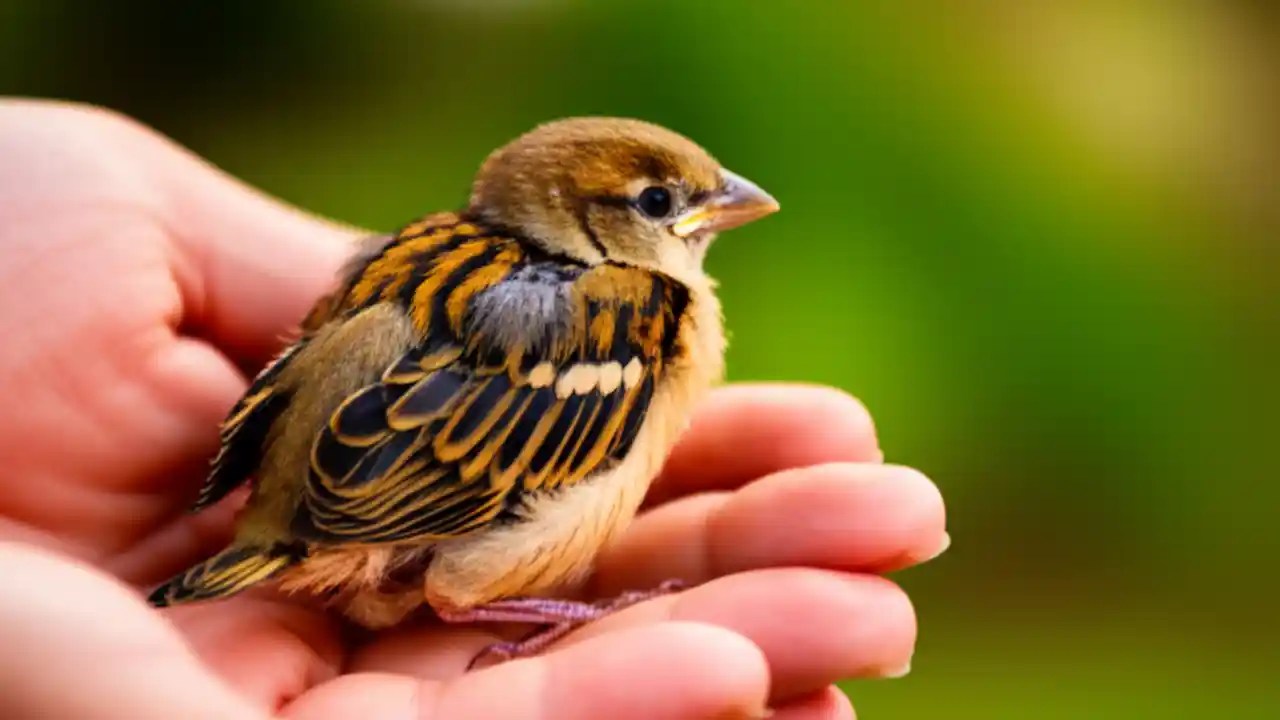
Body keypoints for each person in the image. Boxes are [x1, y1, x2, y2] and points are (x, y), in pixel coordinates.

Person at [0, 100, 948, 720]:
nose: (725, 207)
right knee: (460, 587)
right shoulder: (634, 314)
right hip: (396, 514)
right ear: (587, 221)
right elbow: (479, 461)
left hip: (337, 493)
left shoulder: (427, 250)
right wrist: (575, 610)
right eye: (664, 203)